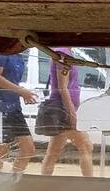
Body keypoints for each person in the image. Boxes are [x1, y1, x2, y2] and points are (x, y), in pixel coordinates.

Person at [38, 47, 94, 177]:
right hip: (64, 109)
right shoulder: (63, 54)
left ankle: (43, 183)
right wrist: (72, 114)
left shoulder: (63, 53)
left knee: (53, 152)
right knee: (86, 146)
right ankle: (90, 184)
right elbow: (62, 87)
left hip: (64, 108)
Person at [0, 50, 36, 172]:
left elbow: (11, 80)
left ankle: (13, 181)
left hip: (14, 107)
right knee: (0, 150)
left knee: (28, 149)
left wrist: (23, 93)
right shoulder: (2, 52)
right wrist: (21, 91)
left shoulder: (20, 56)